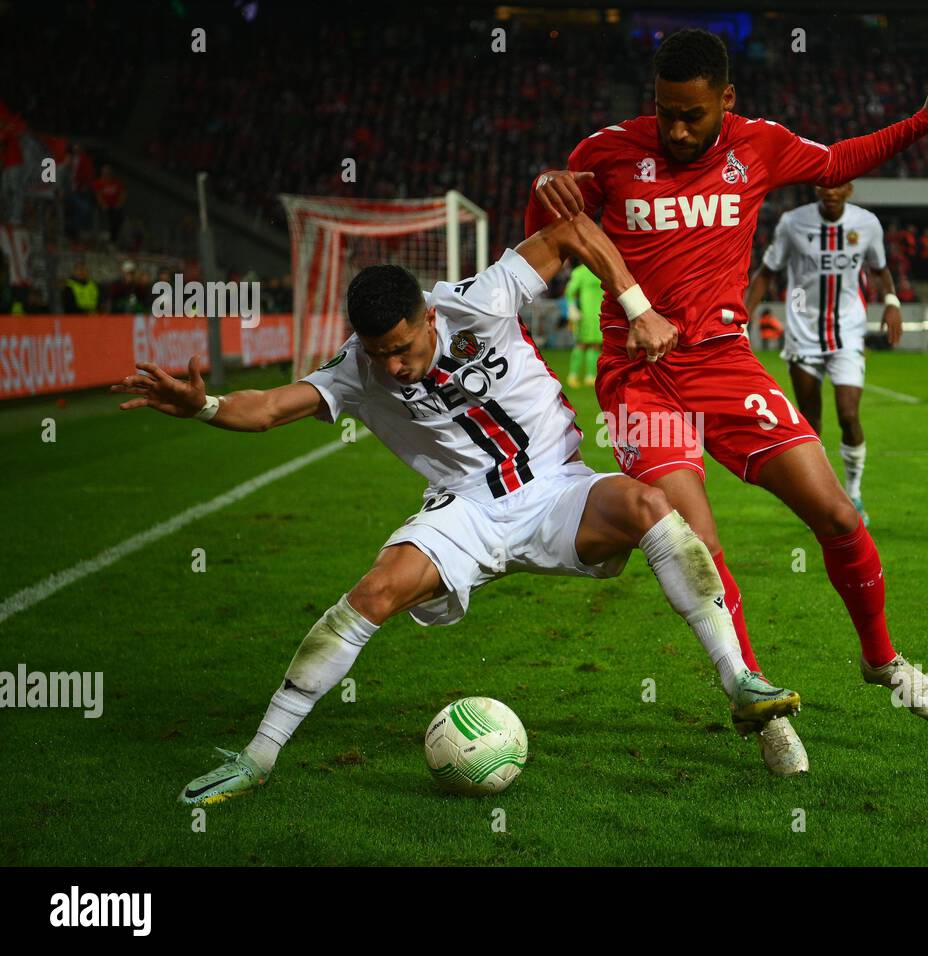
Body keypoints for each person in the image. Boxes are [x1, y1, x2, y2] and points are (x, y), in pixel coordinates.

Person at [112, 210, 800, 807]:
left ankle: (738, 681)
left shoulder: (482, 298)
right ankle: (257, 757)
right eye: (382, 356)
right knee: (372, 593)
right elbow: (265, 408)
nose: (397, 367)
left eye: (405, 348)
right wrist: (201, 406)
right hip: (465, 514)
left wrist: (637, 303)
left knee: (650, 504)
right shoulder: (358, 367)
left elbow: (570, 231)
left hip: (558, 490)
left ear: (430, 317)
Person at [525, 29, 928, 775]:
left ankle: (882, 661)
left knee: (837, 514)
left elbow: (839, 159)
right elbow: (549, 241)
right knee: (698, 542)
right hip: (639, 376)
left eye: (693, 114)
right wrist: (546, 194)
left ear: (726, 99)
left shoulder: (760, 145)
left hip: (726, 366)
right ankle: (757, 701)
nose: (678, 129)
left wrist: (922, 122)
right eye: (666, 113)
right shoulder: (606, 153)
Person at [745, 182, 902, 523]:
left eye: (838, 185)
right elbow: (767, 272)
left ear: (849, 189)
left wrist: (891, 301)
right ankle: (822, 499)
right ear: (815, 188)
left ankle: (855, 493)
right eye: (824, 185)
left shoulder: (867, 224)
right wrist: (743, 318)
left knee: (848, 414)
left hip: (847, 332)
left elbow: (879, 269)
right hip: (803, 333)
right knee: (810, 424)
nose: (830, 191)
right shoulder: (792, 223)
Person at [563, 262, 603, 386]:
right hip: (585, 314)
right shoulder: (580, 271)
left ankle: (591, 376)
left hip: (601, 313)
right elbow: (570, 291)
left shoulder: (601, 269)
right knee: (582, 343)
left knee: (597, 344)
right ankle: (573, 375)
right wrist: (572, 307)